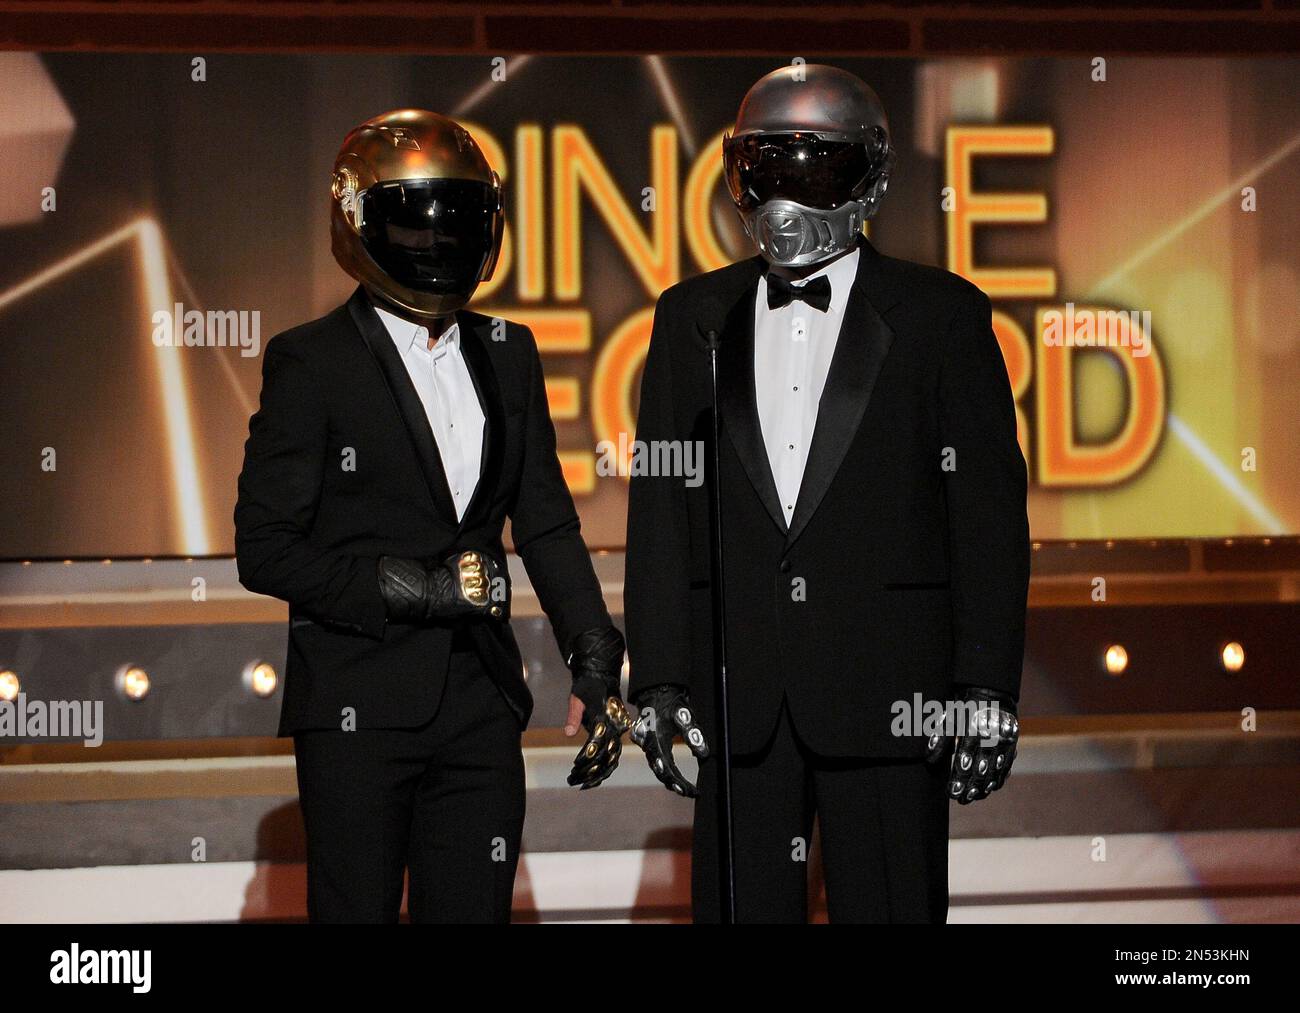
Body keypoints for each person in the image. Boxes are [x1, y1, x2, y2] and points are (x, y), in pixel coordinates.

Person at [625, 66, 1030, 922]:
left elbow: (985, 518)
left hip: (892, 693)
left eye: (812, 169)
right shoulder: (687, 316)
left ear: (870, 178)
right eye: (765, 169)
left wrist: (984, 689)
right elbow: (662, 511)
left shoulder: (944, 315)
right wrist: (658, 677)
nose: (784, 195)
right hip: (740, 700)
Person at [235, 109, 630, 924]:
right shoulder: (310, 362)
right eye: (414, 217)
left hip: (480, 703)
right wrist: (410, 587)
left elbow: (547, 523)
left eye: (457, 216)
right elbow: (264, 547)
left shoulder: (510, 351)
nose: (436, 238)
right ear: (359, 220)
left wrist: (595, 656)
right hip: (357, 708)